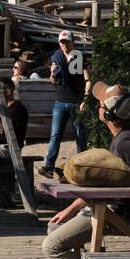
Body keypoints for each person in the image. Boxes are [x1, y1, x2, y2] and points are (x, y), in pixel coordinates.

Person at [42, 82, 130, 259]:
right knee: (54, 227)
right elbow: (107, 182)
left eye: (100, 104)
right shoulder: (121, 139)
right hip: (102, 208)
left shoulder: (128, 142)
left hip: (113, 215)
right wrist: (71, 209)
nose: (98, 107)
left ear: (109, 114)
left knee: (51, 246)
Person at [40, 30, 88, 179]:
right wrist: (53, 74)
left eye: (66, 42)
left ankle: (83, 168)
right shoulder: (56, 57)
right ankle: (49, 167)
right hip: (60, 102)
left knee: (81, 136)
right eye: (62, 42)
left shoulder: (78, 57)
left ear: (72, 42)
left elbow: (88, 80)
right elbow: (53, 82)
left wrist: (85, 99)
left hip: (76, 102)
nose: (64, 45)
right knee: (55, 136)